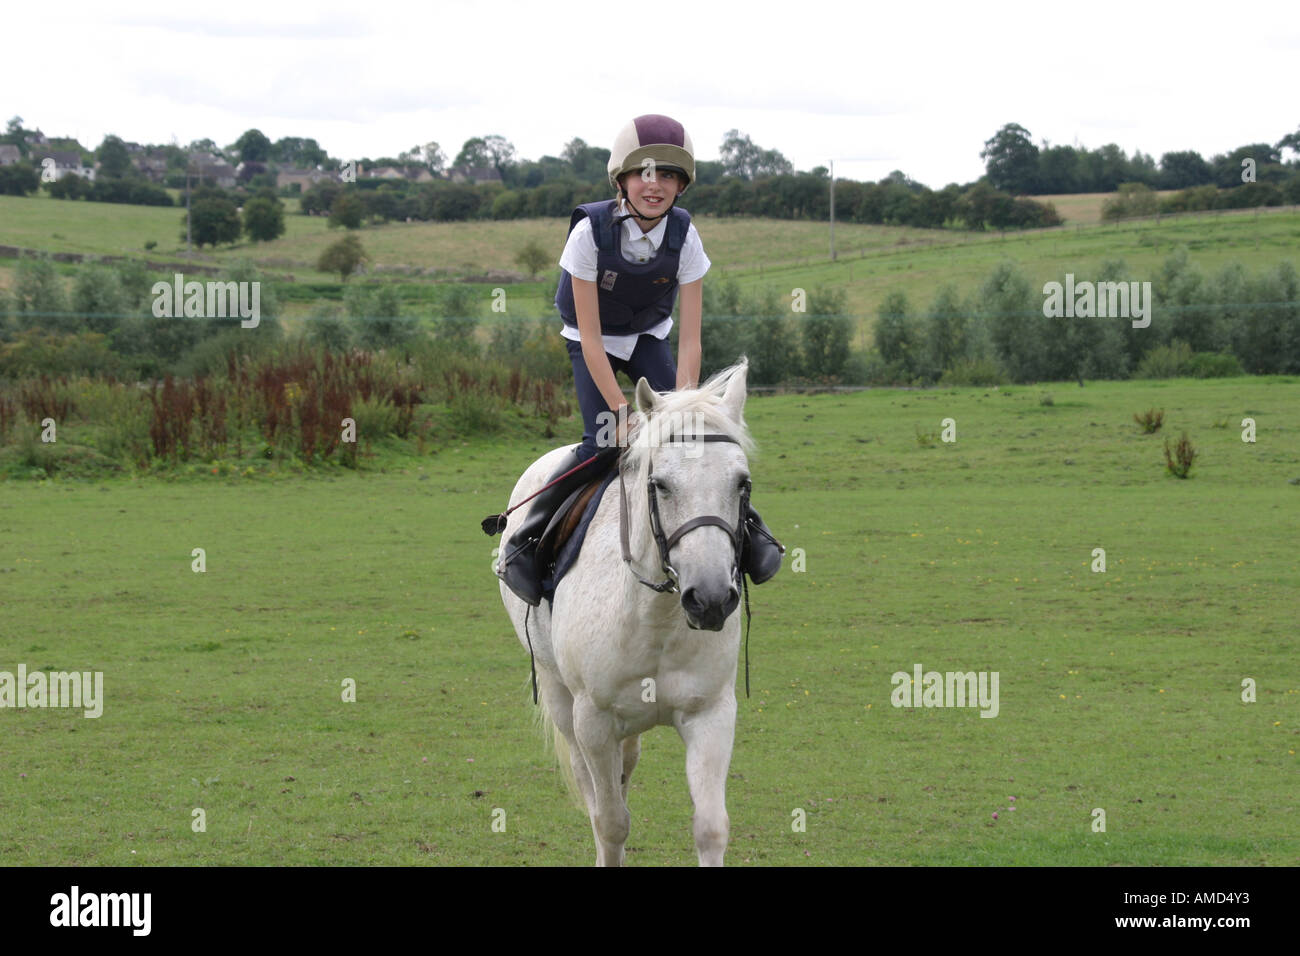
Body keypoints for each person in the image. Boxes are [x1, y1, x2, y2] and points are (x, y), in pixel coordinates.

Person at [495, 114, 782, 606]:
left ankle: (751, 532)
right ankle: (526, 541)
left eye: (668, 175)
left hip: (649, 336)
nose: (655, 185)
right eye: (645, 173)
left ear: (681, 184)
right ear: (623, 179)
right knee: (603, 441)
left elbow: (689, 339)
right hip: (593, 340)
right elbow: (589, 336)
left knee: (700, 444)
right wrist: (624, 411)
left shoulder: (685, 236)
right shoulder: (589, 232)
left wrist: (686, 408)